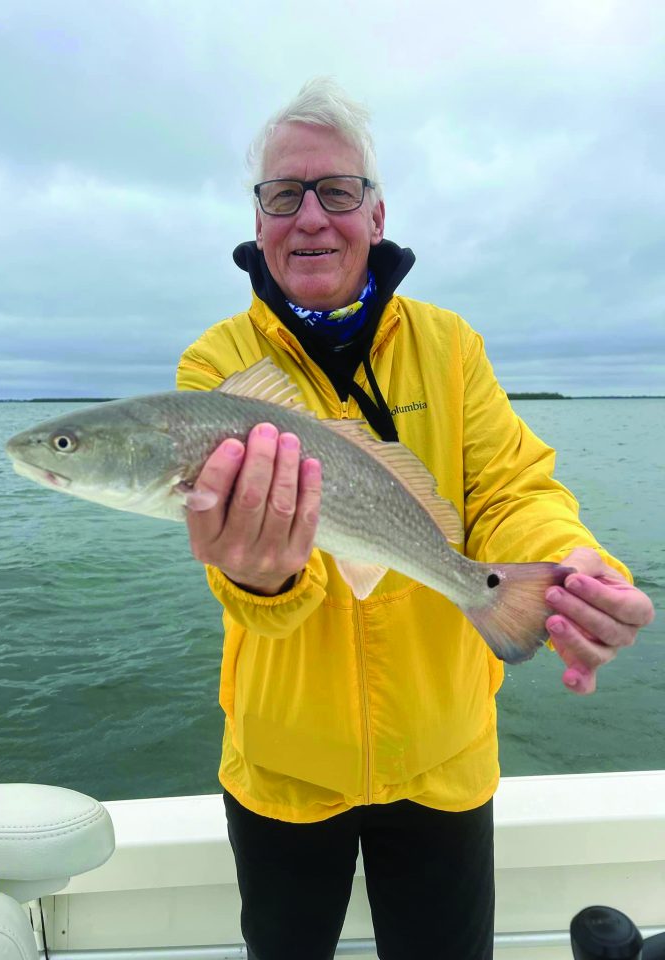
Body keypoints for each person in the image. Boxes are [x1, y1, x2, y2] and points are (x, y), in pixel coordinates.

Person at [175, 78, 654, 960]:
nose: (310, 217)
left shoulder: (450, 345)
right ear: (257, 220)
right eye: (284, 195)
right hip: (283, 768)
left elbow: (512, 489)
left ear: (377, 212)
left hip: (444, 761)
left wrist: (566, 557)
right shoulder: (218, 366)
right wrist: (261, 573)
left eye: (336, 191)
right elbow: (240, 583)